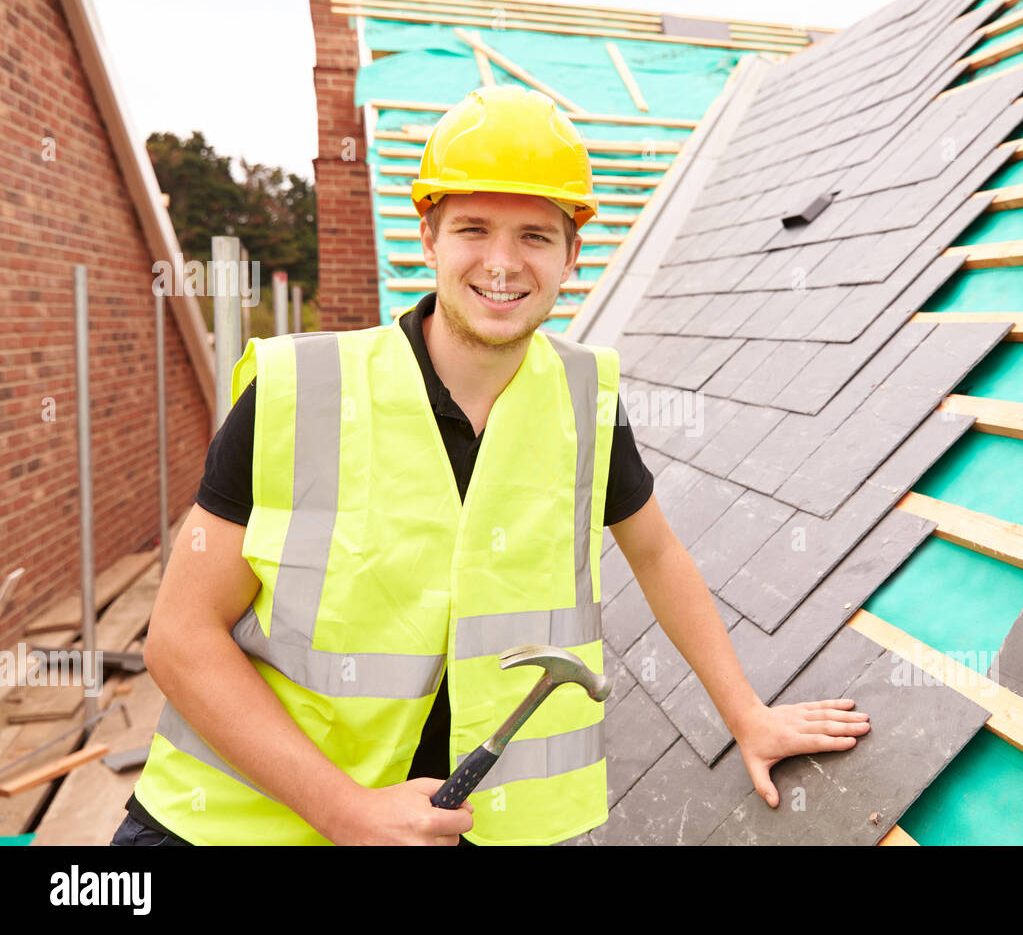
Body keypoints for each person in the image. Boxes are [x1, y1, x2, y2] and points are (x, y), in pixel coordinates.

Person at [114, 85, 869, 847]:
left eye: (536, 237)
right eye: (473, 228)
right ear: (429, 240)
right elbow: (180, 637)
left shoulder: (583, 400)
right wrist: (344, 810)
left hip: (469, 823)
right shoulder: (301, 392)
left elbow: (659, 554)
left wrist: (747, 714)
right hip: (241, 824)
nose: (503, 264)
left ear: (573, 255)